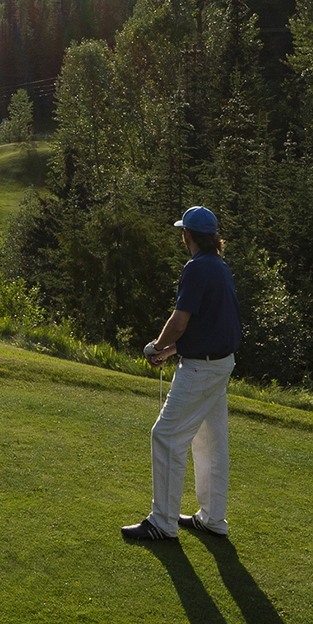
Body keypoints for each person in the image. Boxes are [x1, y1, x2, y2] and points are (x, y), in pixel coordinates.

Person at [122, 205, 243, 541]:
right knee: (210, 440)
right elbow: (207, 329)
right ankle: (212, 518)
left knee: (166, 436)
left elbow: (179, 323)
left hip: (202, 369)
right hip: (220, 364)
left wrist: (157, 347)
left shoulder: (196, 268)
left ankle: (162, 522)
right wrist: (172, 350)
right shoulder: (219, 266)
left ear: (187, 235)